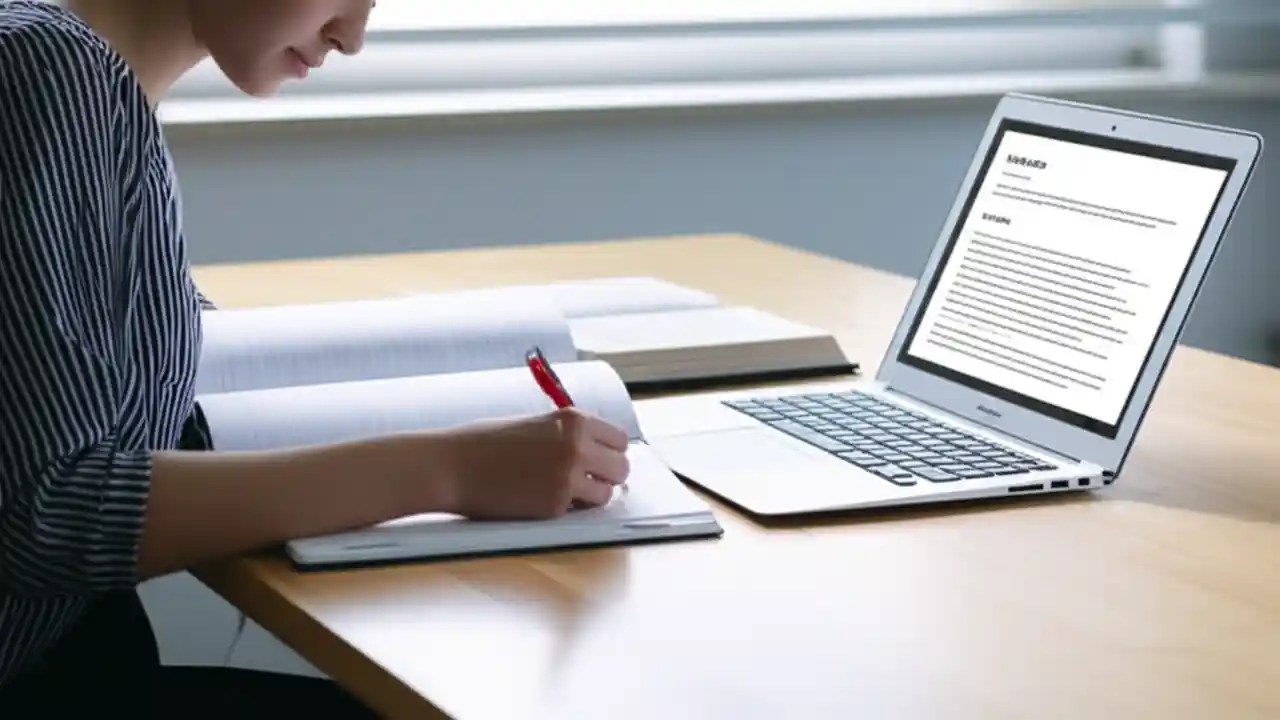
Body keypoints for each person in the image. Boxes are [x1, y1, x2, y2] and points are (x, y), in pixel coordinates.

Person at [0, 0, 631, 714]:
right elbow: (46, 512)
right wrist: (449, 470)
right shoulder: (45, 75)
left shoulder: (95, 86)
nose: (352, 36)